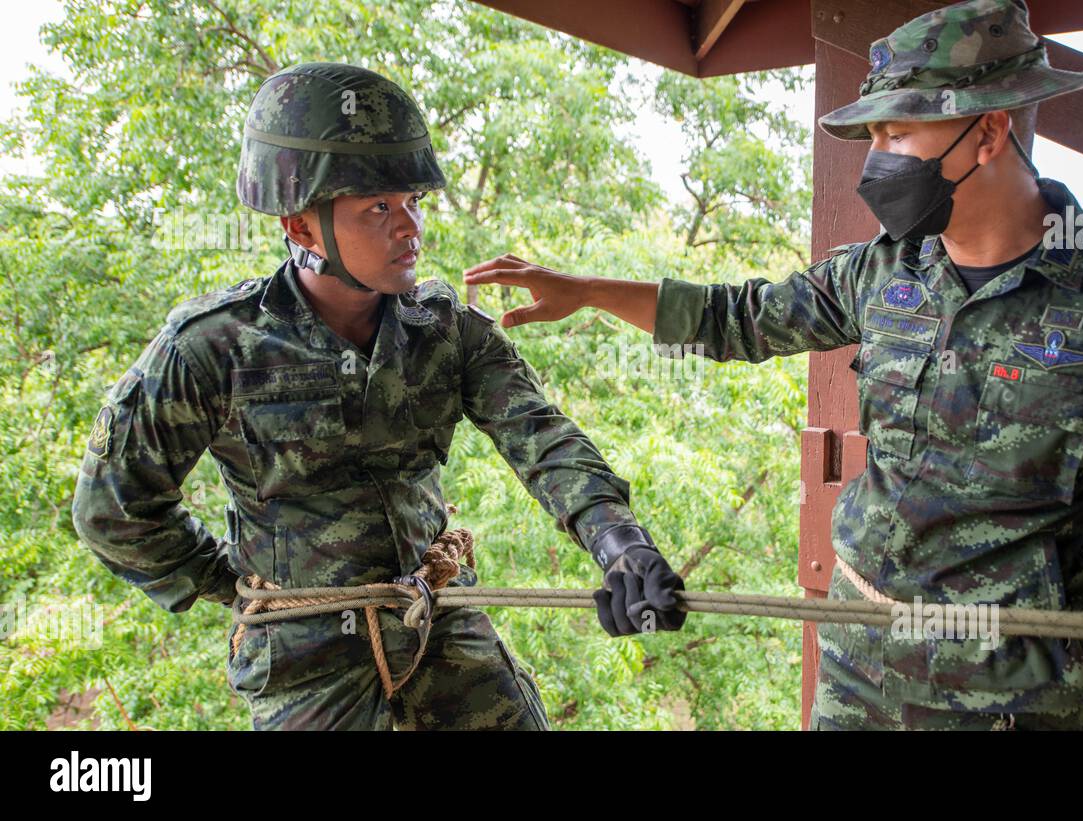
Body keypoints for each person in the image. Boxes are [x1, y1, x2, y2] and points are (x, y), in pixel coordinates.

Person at [462, 0, 1083, 730]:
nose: (877, 159)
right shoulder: (882, 271)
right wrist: (587, 290)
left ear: (991, 130)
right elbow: (737, 318)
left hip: (1011, 701)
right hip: (859, 672)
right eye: (872, 134)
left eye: (898, 130)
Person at [71, 62, 685, 731]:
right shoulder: (216, 347)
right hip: (306, 662)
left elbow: (544, 441)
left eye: (414, 201)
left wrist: (620, 543)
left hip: (439, 627)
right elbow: (112, 508)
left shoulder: (445, 330)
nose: (411, 227)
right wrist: (230, 580)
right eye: (379, 208)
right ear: (302, 228)